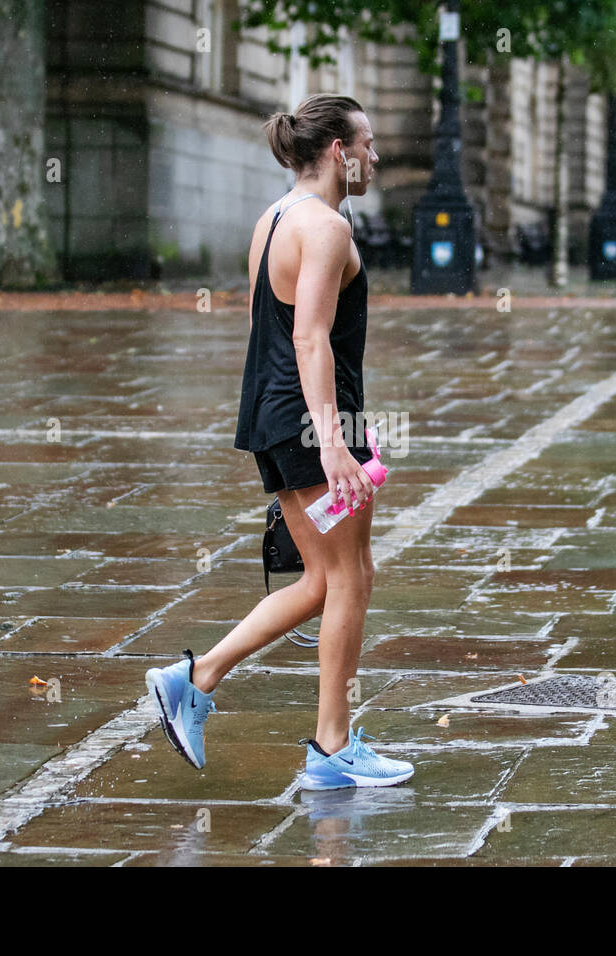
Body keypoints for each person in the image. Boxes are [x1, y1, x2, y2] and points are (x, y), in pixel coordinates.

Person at [144, 93, 413, 791]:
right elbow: (309, 336)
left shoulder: (274, 219)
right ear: (338, 152)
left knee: (327, 580)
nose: (375, 158)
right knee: (351, 579)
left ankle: (194, 679)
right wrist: (332, 439)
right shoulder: (325, 228)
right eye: (369, 145)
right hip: (309, 424)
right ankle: (332, 749)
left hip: (276, 417)